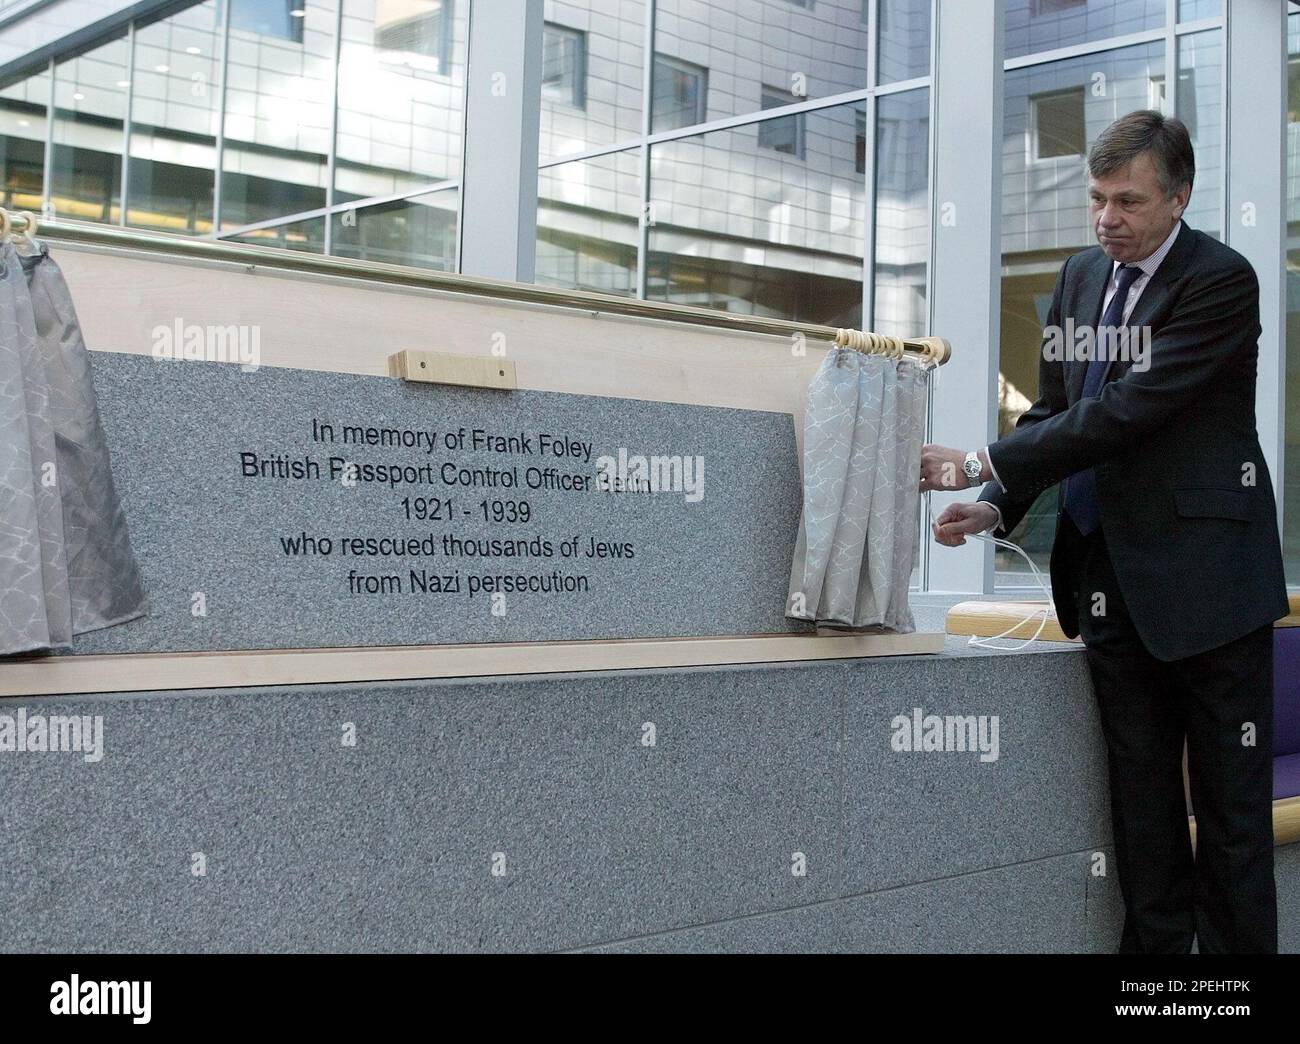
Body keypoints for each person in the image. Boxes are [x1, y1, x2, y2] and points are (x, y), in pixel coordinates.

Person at [919, 109, 1289, 954]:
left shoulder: (1221, 281)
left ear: (1179, 197)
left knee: (1231, 821)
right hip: (1109, 582)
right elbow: (1060, 411)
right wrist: (1001, 502)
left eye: (1128, 201)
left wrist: (977, 458)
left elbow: (1128, 412)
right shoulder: (1081, 279)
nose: (1106, 218)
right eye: (1097, 198)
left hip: (1212, 589)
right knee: (1143, 807)